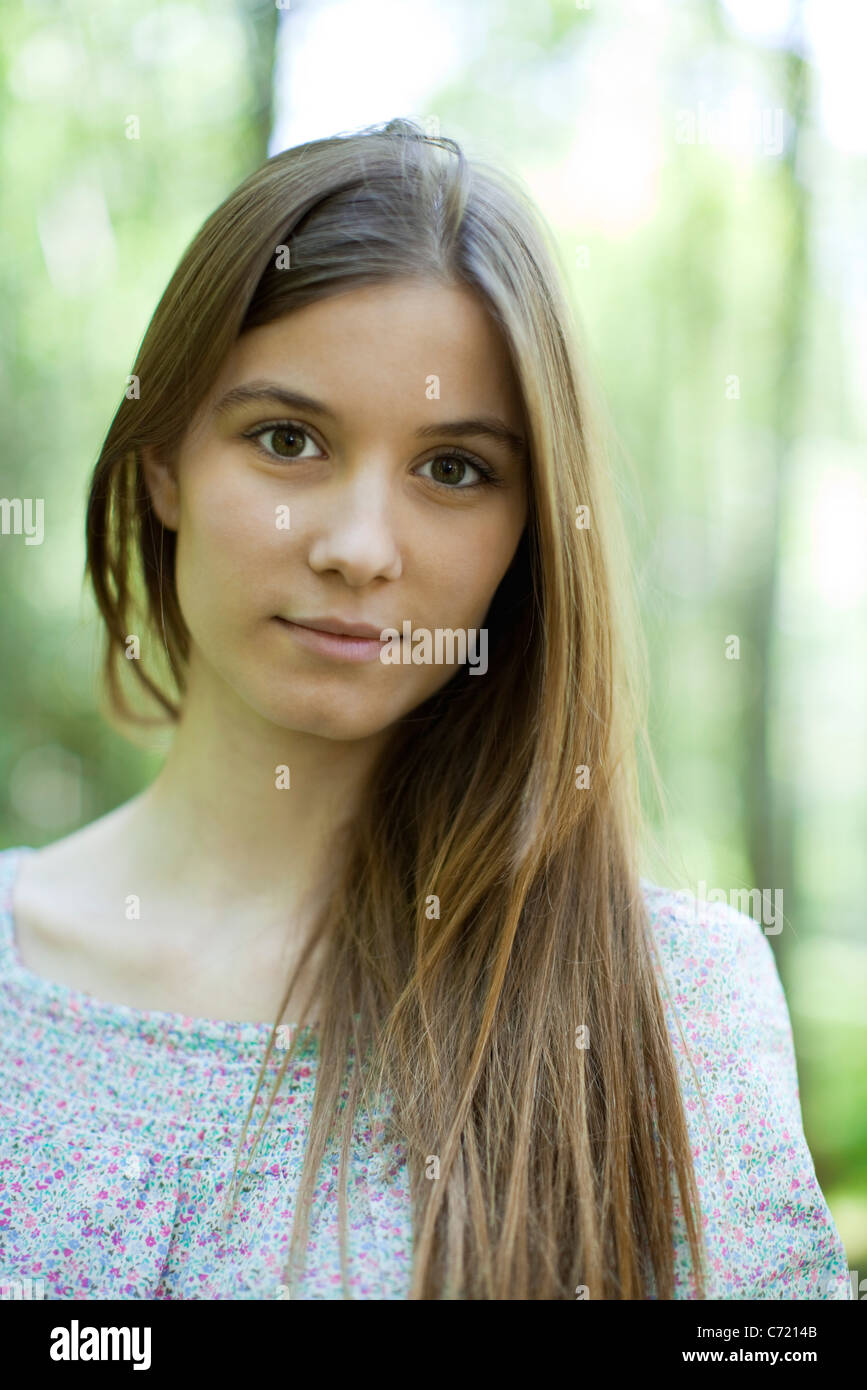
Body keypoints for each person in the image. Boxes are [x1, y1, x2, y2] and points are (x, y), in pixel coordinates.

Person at [0, 118, 850, 1301]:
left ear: (528, 532)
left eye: (454, 469)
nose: (358, 548)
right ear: (161, 464)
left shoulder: (668, 999)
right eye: (287, 439)